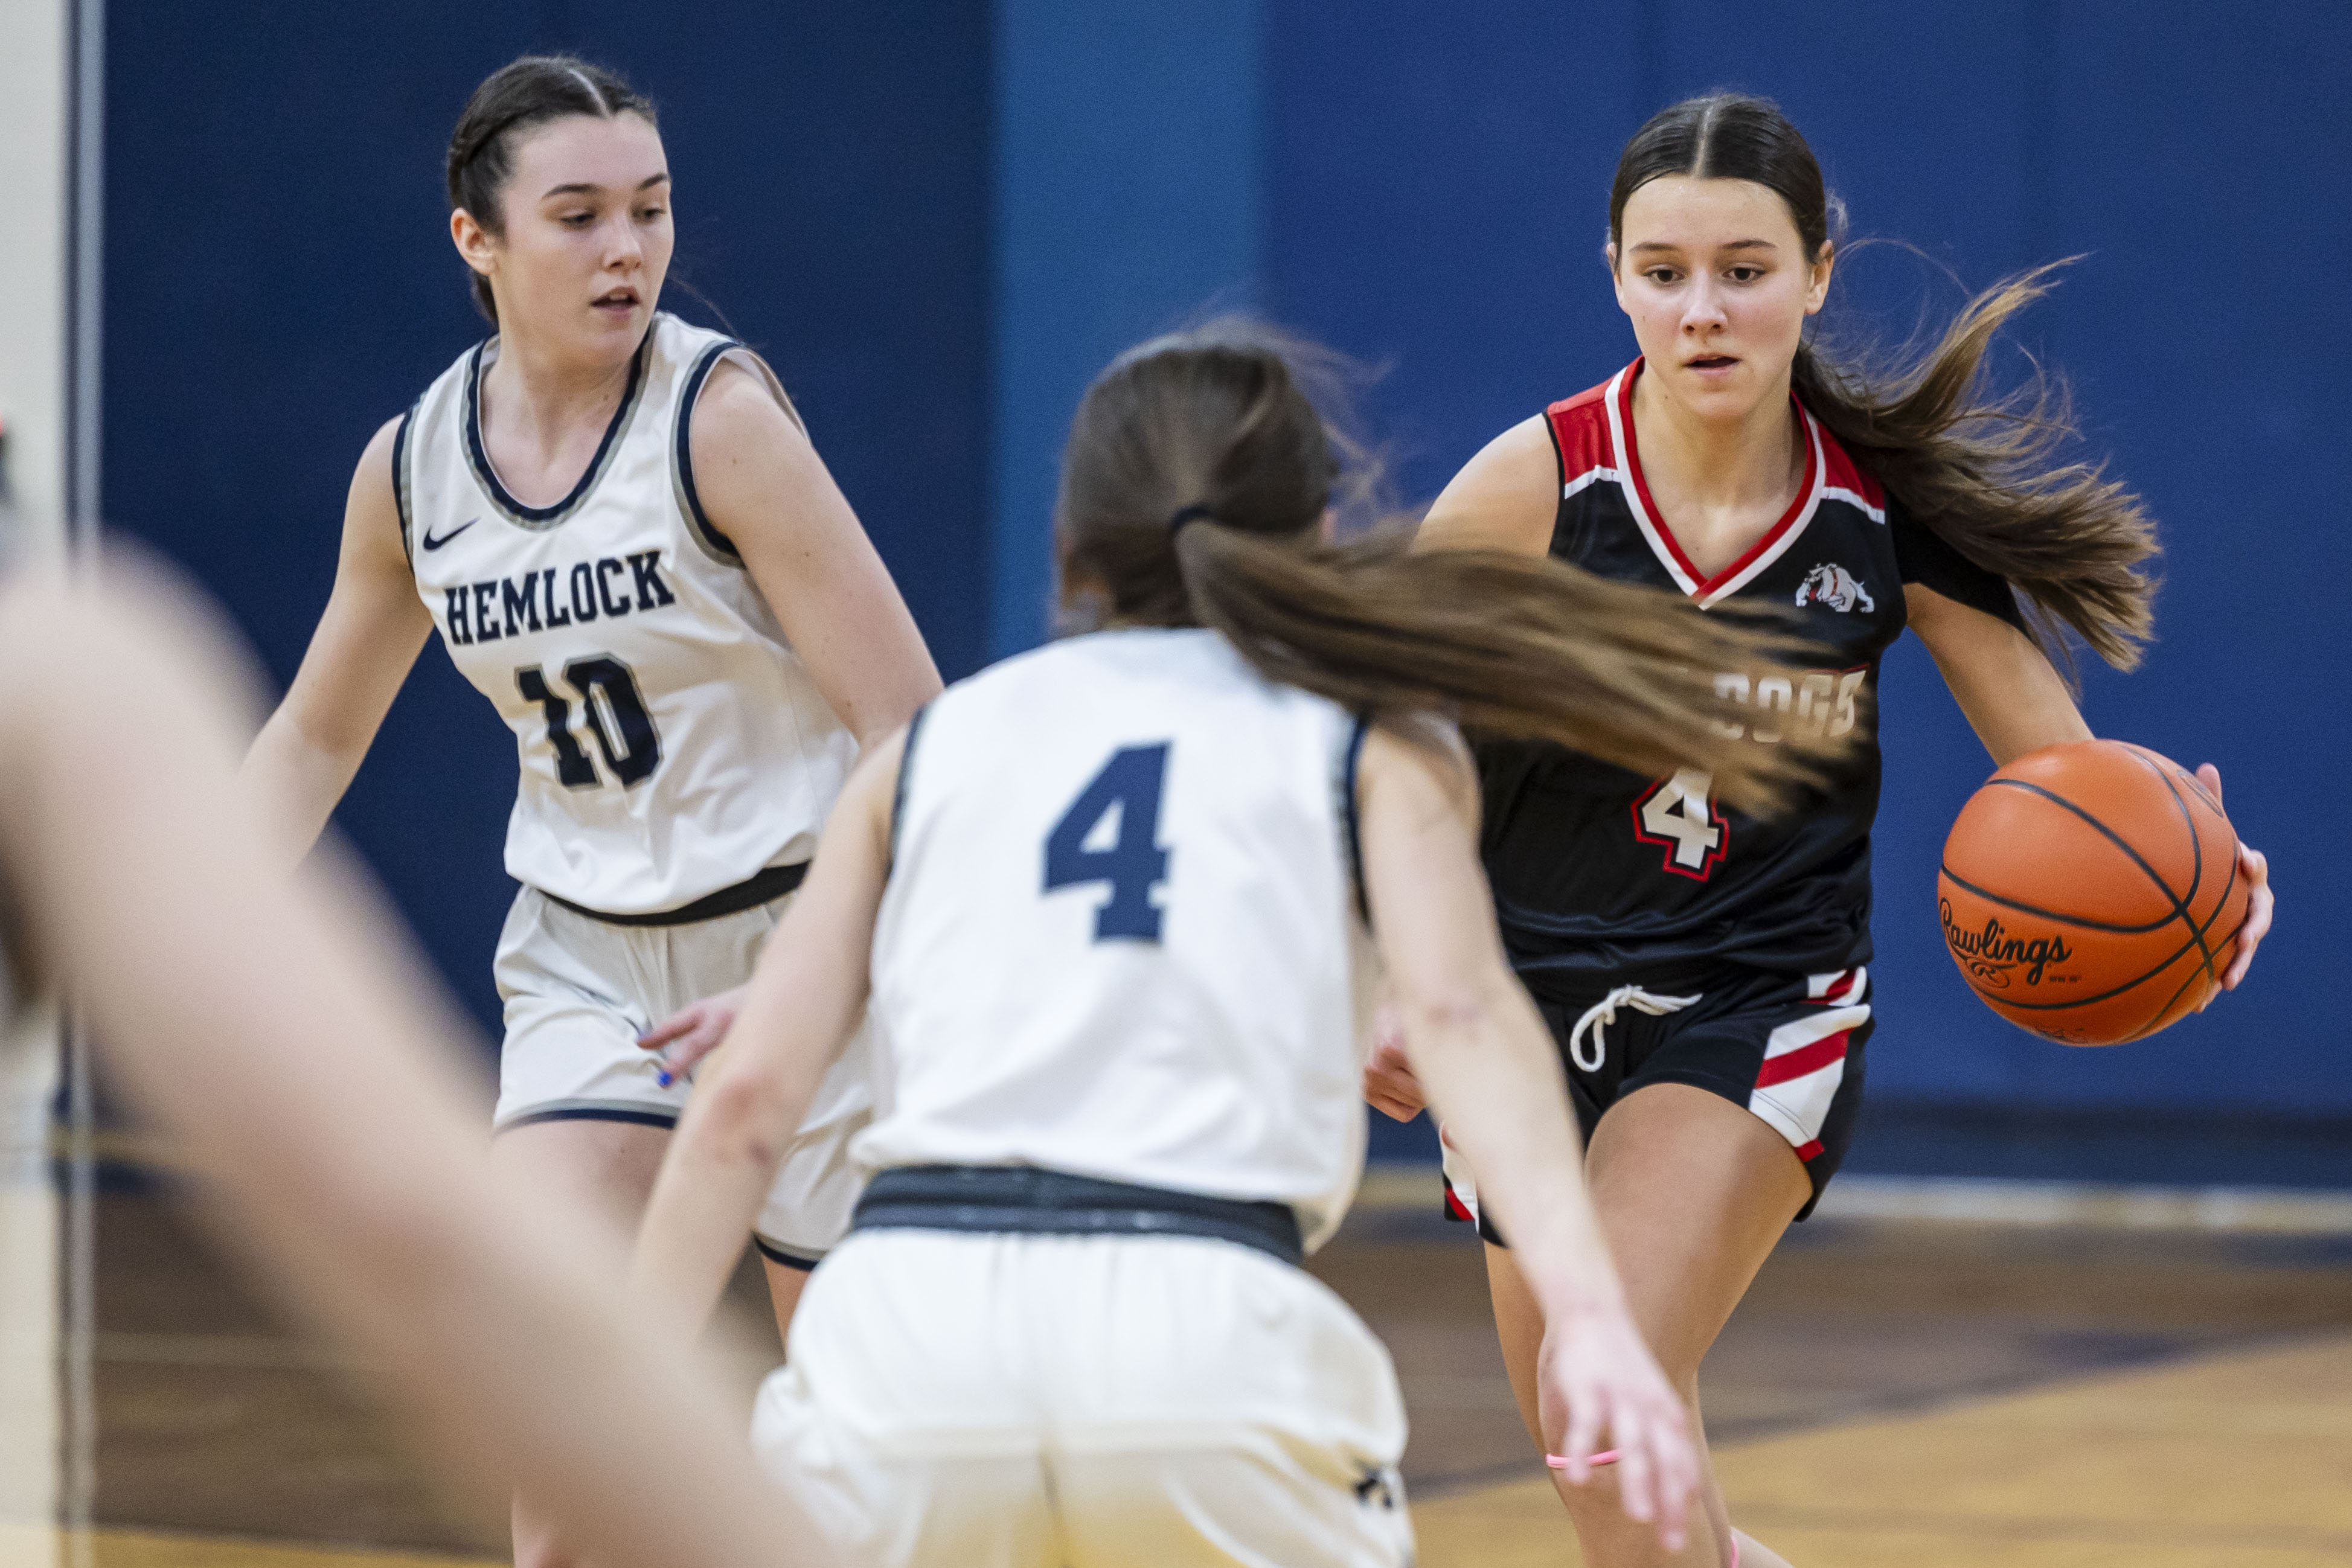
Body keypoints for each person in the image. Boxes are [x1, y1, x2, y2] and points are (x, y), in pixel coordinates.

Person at [627, 322, 1859, 1567]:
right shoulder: (1368, 746)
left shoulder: (922, 755)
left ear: (1071, 549)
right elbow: (1467, 1022)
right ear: (1317, 531)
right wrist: (1585, 1309)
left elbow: (742, 1113)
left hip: (906, 1336)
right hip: (1199, 1327)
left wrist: (599, 1410)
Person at [1364, 94, 2277, 1568]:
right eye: (1663, 272)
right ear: (1613, 274)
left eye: (1744, 268)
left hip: (1754, 997)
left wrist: (2199, 871)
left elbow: (2069, 780)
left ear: (1818, 275)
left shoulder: (1877, 514)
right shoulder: (1536, 488)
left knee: (1605, 1418)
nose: (1703, 310)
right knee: (1617, 1487)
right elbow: (1376, 740)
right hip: (1521, 1019)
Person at [242, 51, 937, 1383]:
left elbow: (908, 724)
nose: (628, 249)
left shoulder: (718, 423)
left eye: (651, 208)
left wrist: (819, 974)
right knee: (556, 1412)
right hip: (588, 966)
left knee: (865, 1451)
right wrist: (173, 928)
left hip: (801, 937)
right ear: (478, 239)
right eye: (579, 218)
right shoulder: (412, 468)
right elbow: (316, 736)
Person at [0, 557, 836, 1567]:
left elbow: (905, 724)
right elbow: (421, 1233)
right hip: (622, 967)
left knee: (843, 1409)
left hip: (779, 946)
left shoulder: (723, 421)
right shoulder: (67, 678)